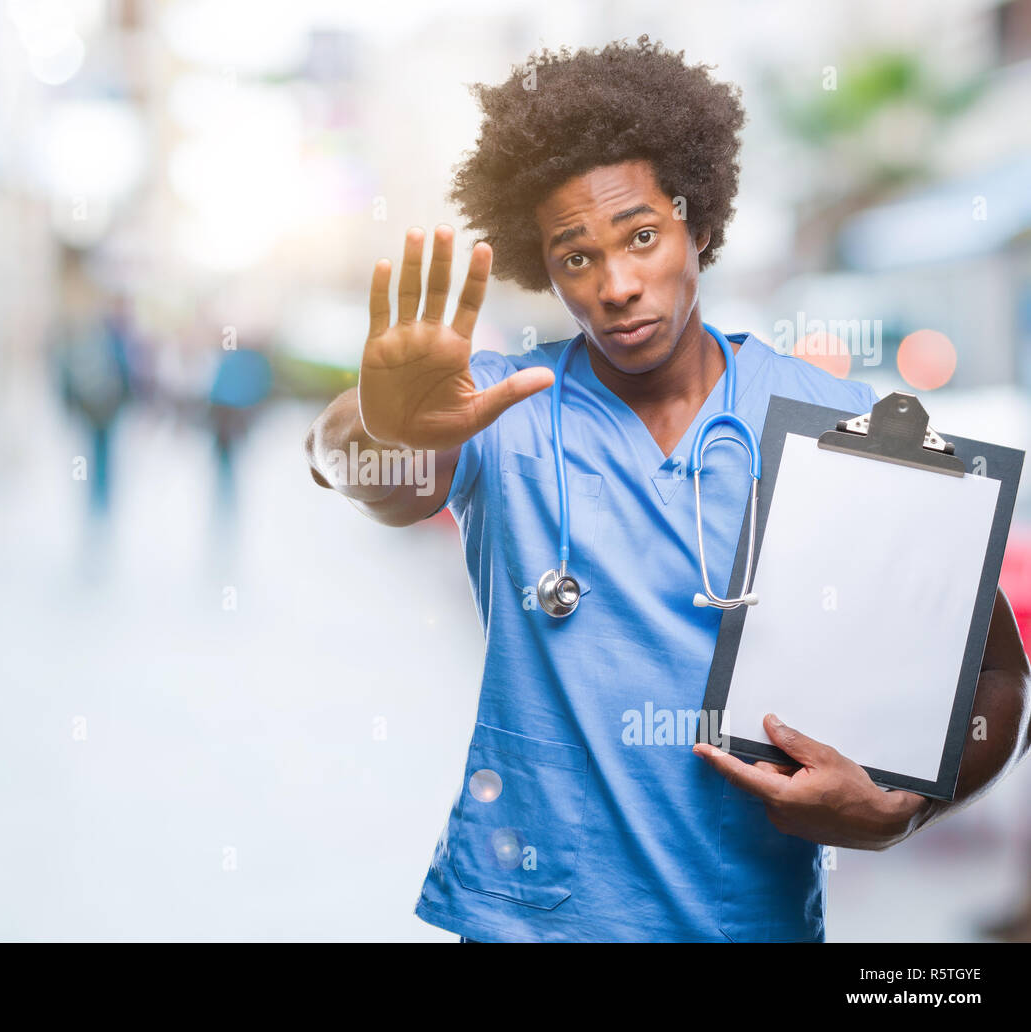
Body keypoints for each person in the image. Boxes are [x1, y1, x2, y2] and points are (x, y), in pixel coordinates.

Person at [303, 37, 1031, 942]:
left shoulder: (837, 423)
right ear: (545, 269)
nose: (615, 285)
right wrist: (381, 425)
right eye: (576, 258)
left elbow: (997, 672)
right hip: (530, 922)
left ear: (701, 224)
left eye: (642, 236)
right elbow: (356, 470)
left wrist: (909, 809)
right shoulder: (499, 409)